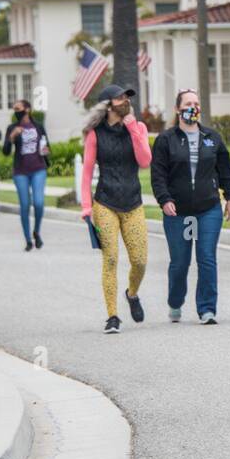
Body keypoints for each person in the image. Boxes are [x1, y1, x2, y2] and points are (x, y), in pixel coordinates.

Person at [150, 89, 230, 324]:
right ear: (178, 109)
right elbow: (158, 175)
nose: (193, 107)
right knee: (180, 262)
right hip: (177, 211)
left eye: (196, 103)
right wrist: (164, 199)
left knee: (206, 258)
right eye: (188, 103)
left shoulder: (212, 137)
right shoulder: (166, 139)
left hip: (208, 209)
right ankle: (175, 302)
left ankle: (207, 309)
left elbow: (225, 170)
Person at [80, 84, 152, 334]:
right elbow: (87, 172)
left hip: (133, 202)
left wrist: (133, 128)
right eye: (120, 98)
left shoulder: (138, 127)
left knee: (140, 261)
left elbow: (145, 161)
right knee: (110, 259)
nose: (126, 101)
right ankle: (112, 316)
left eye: (127, 98)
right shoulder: (95, 134)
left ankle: (132, 294)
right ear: (109, 105)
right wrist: (86, 207)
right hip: (105, 203)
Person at [2, 99, 49, 251]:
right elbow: (6, 151)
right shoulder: (12, 128)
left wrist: (46, 152)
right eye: (14, 109)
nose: (17, 111)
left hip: (38, 169)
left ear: (27, 109)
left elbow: (46, 144)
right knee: (24, 205)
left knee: (39, 203)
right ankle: (28, 239)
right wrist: (12, 137)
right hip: (20, 171)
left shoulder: (38, 127)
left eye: (19, 108)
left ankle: (37, 231)